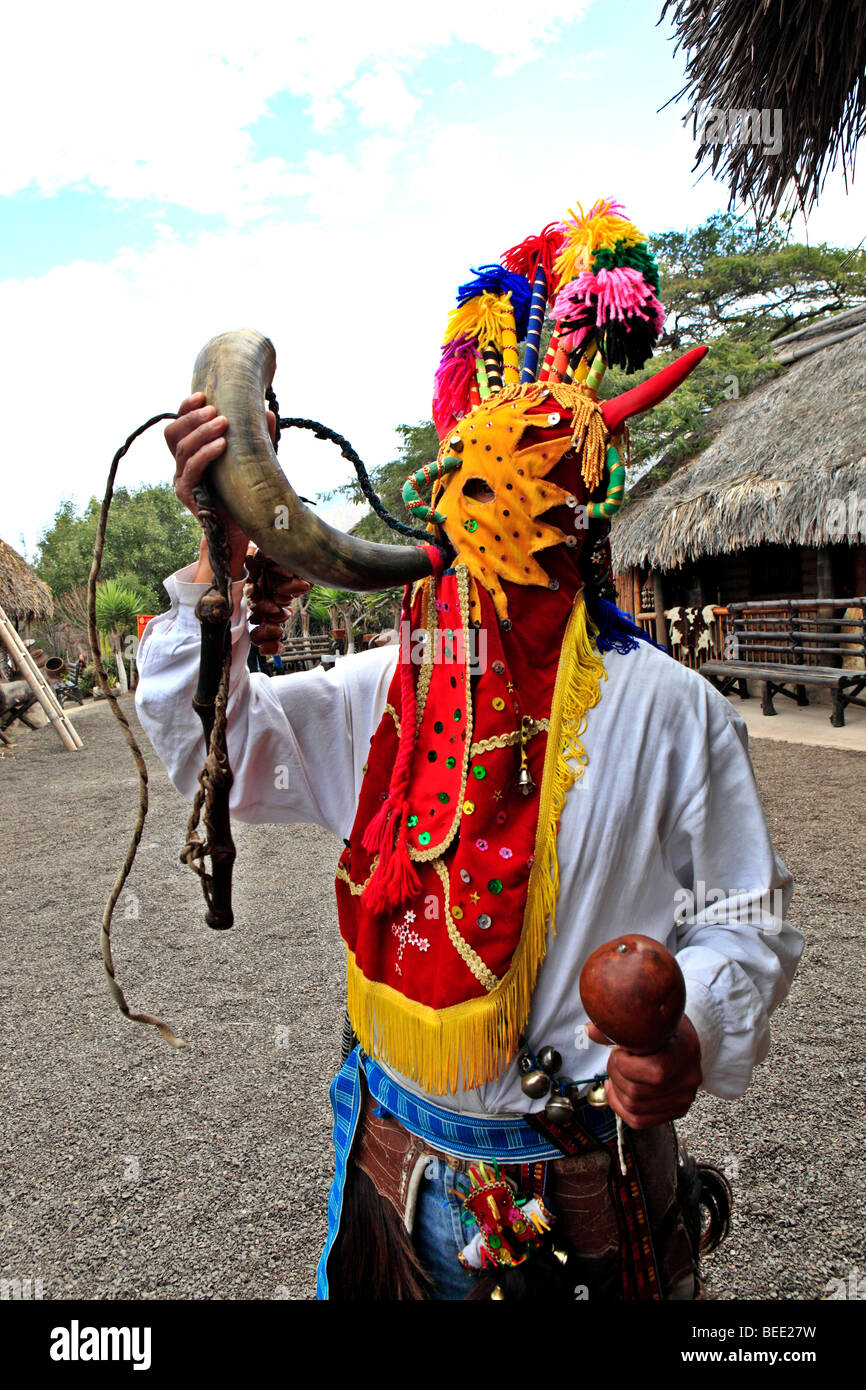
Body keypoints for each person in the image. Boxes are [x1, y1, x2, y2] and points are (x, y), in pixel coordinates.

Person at [135, 204, 803, 1300]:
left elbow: (744, 914)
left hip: (575, 1179)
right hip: (385, 1154)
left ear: (581, 505)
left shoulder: (672, 709)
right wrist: (219, 563)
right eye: (470, 480)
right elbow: (232, 758)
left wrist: (688, 1032)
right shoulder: (391, 686)